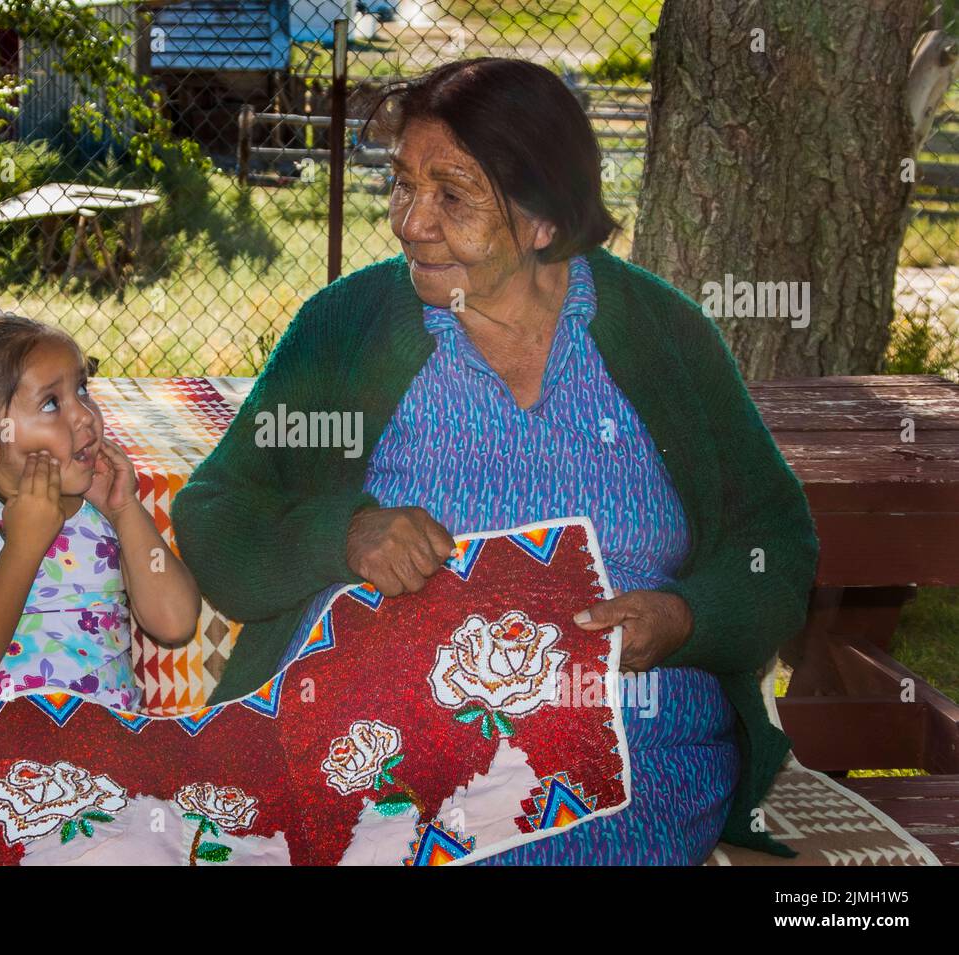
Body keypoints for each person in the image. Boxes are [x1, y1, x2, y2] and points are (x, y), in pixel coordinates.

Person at [171, 58, 819, 864]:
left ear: (545, 217)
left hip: (625, 761)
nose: (410, 221)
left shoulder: (661, 338)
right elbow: (216, 510)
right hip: (376, 761)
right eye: (402, 184)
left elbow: (775, 541)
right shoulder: (350, 328)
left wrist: (685, 619)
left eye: (452, 194)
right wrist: (345, 535)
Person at [0, 314, 199, 826]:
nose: (86, 418)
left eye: (83, 390)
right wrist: (26, 543)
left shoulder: (100, 511)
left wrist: (125, 512)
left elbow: (175, 622)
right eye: (52, 403)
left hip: (102, 759)